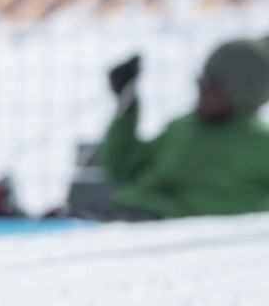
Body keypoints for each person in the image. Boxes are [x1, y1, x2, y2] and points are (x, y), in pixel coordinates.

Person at [83, 41, 269, 220]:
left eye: (209, 81)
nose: (199, 86)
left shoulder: (260, 145)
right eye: (200, 78)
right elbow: (122, 168)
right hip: (122, 213)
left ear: (240, 91)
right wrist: (127, 104)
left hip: (172, 229)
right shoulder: (182, 128)